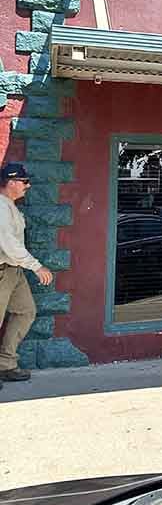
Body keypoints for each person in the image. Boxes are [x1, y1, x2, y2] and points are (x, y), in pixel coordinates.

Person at [0, 163, 53, 383]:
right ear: (11, 182)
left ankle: (5, 364)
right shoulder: (1, 208)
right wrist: (36, 266)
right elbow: (10, 245)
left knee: (25, 312)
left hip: (13, 270)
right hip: (3, 270)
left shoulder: (9, 206)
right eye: (24, 182)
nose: (28, 185)